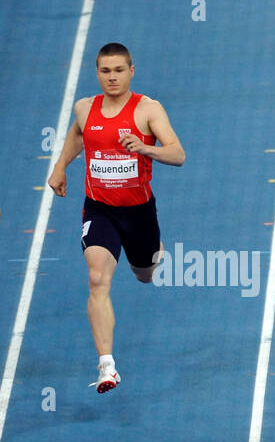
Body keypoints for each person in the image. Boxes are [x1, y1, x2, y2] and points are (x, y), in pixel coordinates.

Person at [48, 42, 185, 392]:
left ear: (131, 71)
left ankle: (153, 251)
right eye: (105, 71)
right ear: (97, 73)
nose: (112, 77)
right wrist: (61, 166)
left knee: (145, 274)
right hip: (99, 209)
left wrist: (144, 147)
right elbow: (78, 135)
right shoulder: (84, 108)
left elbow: (178, 154)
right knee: (97, 278)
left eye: (119, 70)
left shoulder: (148, 110)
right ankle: (107, 366)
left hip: (138, 212)